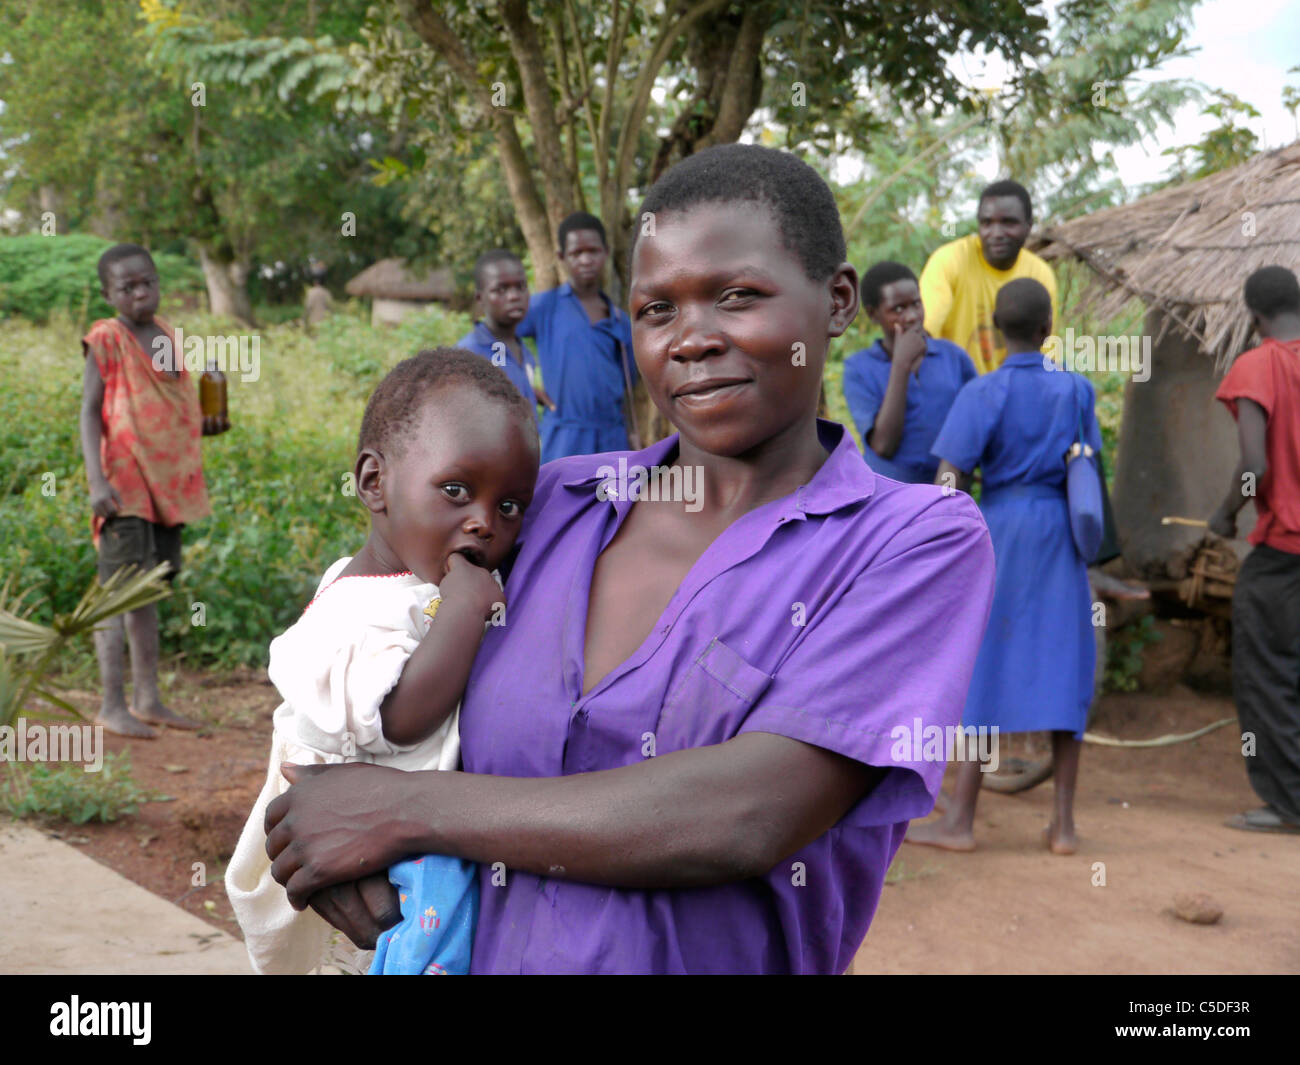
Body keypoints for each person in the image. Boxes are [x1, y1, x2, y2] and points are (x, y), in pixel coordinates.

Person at [261, 144, 995, 976]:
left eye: (737, 296)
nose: (691, 340)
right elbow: (354, 642)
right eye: (656, 310)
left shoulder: (908, 541)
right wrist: (309, 812)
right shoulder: (550, 507)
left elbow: (748, 813)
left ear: (835, 300)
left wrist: (401, 810)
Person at [225, 349, 541, 973]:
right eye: (456, 490)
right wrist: (466, 608)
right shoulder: (358, 611)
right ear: (374, 483)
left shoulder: (409, 582)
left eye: (509, 506)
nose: (483, 523)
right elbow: (403, 717)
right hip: (376, 860)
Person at [908, 278, 1099, 855]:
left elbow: (949, 475)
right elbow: (1086, 467)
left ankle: (960, 820)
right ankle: (1063, 827)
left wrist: (946, 536)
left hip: (999, 532)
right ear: (1048, 331)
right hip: (1060, 534)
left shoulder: (982, 394)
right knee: (1066, 663)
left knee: (985, 661)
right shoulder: (1077, 390)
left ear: (993, 331)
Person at [80, 243, 226, 739]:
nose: (141, 293)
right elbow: (88, 412)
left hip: (168, 489)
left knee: (147, 595)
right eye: (127, 287)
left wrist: (207, 424)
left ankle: (147, 699)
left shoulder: (165, 335)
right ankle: (111, 704)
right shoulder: (107, 337)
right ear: (108, 294)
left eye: (148, 283)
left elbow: (172, 408)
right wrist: (95, 481)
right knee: (116, 595)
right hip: (124, 483)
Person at [1209, 265, 1300, 835]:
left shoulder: (1258, 365)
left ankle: (1287, 802)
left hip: (1284, 551)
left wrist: (1228, 510)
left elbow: (1257, 466)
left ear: (1253, 316)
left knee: (1267, 672)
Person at [517, 212, 639, 461]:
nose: (585, 260)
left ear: (605, 252)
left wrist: (631, 433)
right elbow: (494, 337)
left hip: (612, 437)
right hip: (565, 437)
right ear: (562, 257)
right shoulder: (545, 307)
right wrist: (521, 386)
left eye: (592, 251)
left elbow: (629, 384)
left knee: (614, 499)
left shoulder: (620, 320)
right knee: (561, 497)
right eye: (576, 253)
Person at [843, 261, 976, 483]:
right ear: (873, 314)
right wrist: (901, 366)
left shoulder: (953, 357)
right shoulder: (859, 369)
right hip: (889, 493)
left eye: (916, 304)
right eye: (898, 309)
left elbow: (975, 423)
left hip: (948, 490)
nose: (912, 316)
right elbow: (883, 446)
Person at [919, 179, 1059, 376]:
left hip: (1014, 391)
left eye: (1008, 223)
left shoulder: (1040, 274)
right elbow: (924, 332)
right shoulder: (949, 261)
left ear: (1028, 226)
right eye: (987, 223)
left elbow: (1046, 352)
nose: (996, 233)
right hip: (956, 391)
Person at [455, 249, 555, 415]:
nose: (514, 296)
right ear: (480, 298)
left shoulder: (518, 348)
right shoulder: (468, 355)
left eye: (521, 286)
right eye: (501, 290)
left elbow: (504, 375)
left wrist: (529, 393)